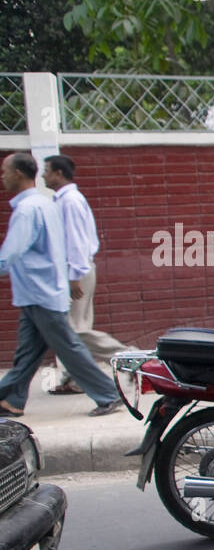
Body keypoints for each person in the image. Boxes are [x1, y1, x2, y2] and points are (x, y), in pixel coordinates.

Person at [0, 152, 121, 417]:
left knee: (71, 346)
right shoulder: (47, 204)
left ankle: (109, 392)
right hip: (38, 293)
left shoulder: (30, 209)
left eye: (4, 171)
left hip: (41, 291)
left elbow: (12, 253)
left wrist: (74, 276)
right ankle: (14, 399)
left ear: (19, 173)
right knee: (28, 353)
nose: (2, 177)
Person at [43, 154, 131, 394]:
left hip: (76, 271)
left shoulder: (69, 201)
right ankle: (75, 379)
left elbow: (77, 242)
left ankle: (129, 357)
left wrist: (74, 277)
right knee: (77, 327)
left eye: (47, 170)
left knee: (74, 330)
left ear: (59, 174)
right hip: (76, 270)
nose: (43, 175)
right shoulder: (65, 199)